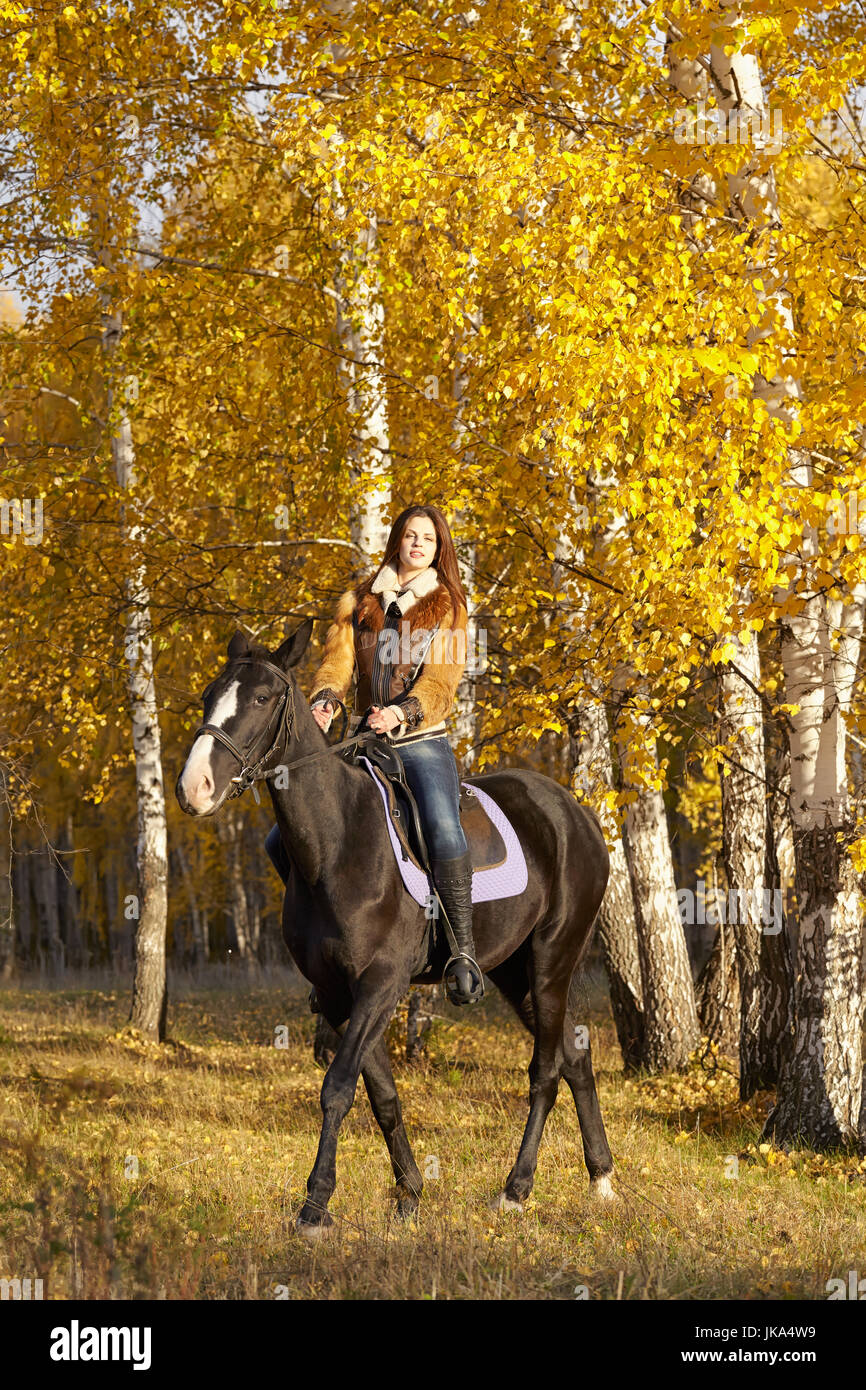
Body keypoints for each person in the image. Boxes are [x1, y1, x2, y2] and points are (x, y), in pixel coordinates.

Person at [264, 503, 483, 1006]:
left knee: (443, 828)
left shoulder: (448, 606)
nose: (418, 544)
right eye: (410, 535)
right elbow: (337, 662)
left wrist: (401, 712)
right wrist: (325, 700)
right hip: (365, 743)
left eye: (428, 538)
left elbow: (442, 685)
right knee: (282, 839)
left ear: (439, 546)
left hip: (420, 740)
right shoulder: (359, 601)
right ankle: (327, 952)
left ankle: (461, 952)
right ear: (397, 541)